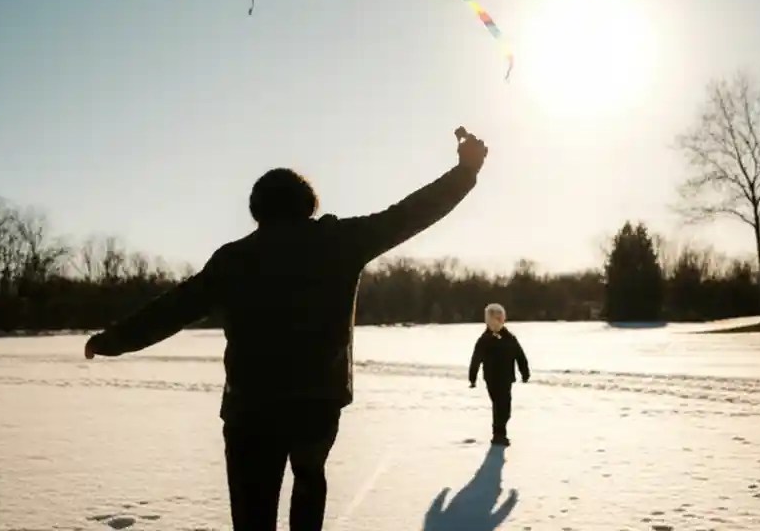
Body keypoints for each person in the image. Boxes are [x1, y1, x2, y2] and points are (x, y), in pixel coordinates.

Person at [83, 127, 489, 531]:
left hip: (251, 408)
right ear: (308, 205)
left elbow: (173, 309)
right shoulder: (339, 242)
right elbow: (411, 214)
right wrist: (465, 171)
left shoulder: (235, 259)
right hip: (317, 404)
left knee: (253, 511)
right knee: (309, 486)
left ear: (256, 209)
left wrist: (113, 340)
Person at [468, 303, 530, 446]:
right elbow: (475, 359)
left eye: (499, 319)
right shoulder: (484, 340)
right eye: (494, 320)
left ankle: (501, 432)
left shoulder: (509, 338)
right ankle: (498, 434)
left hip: (507, 378)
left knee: (506, 408)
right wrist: (472, 377)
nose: (497, 322)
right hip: (492, 379)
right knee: (499, 405)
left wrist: (524, 372)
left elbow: (520, 356)